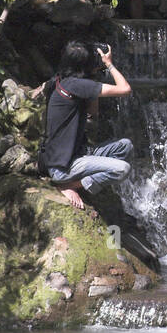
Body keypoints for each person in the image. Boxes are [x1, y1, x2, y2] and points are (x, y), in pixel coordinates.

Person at [35, 39, 135, 209]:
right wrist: (109, 65)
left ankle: (84, 181)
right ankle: (69, 186)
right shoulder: (78, 85)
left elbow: (93, 114)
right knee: (122, 169)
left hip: (73, 154)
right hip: (63, 167)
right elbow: (125, 89)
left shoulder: (62, 80)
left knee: (125, 146)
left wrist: (95, 73)